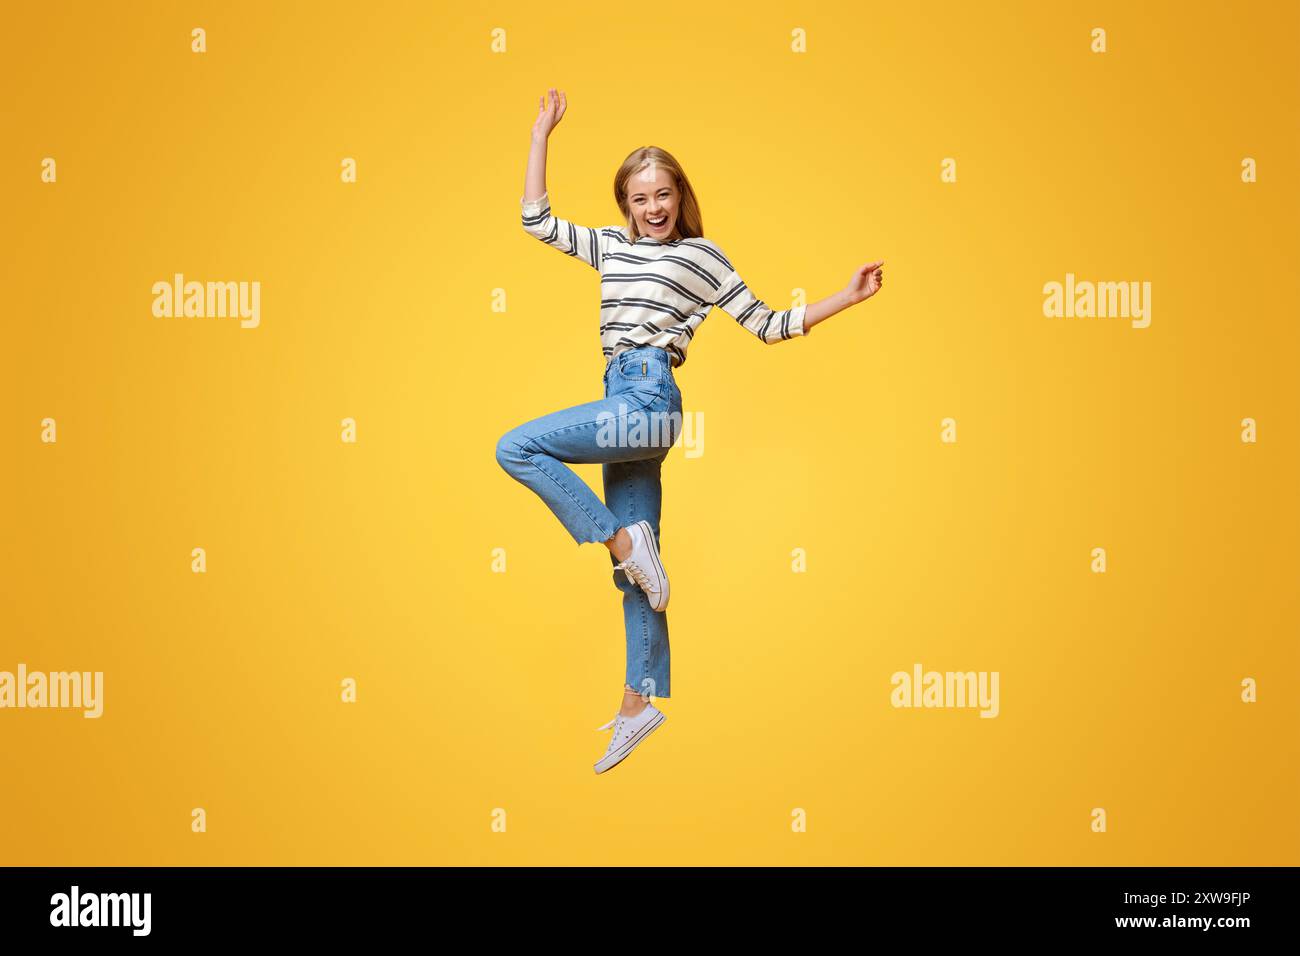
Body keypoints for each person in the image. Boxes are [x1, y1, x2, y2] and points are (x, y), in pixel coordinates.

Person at [496, 88, 885, 774]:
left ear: (680, 196)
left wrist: (843, 298)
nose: (652, 208)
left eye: (663, 194)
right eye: (640, 197)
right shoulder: (611, 247)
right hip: (619, 395)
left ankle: (623, 539)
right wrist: (540, 136)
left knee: (517, 447)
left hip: (649, 397)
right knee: (640, 580)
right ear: (625, 204)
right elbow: (537, 221)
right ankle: (638, 703)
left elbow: (767, 324)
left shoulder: (703, 257)